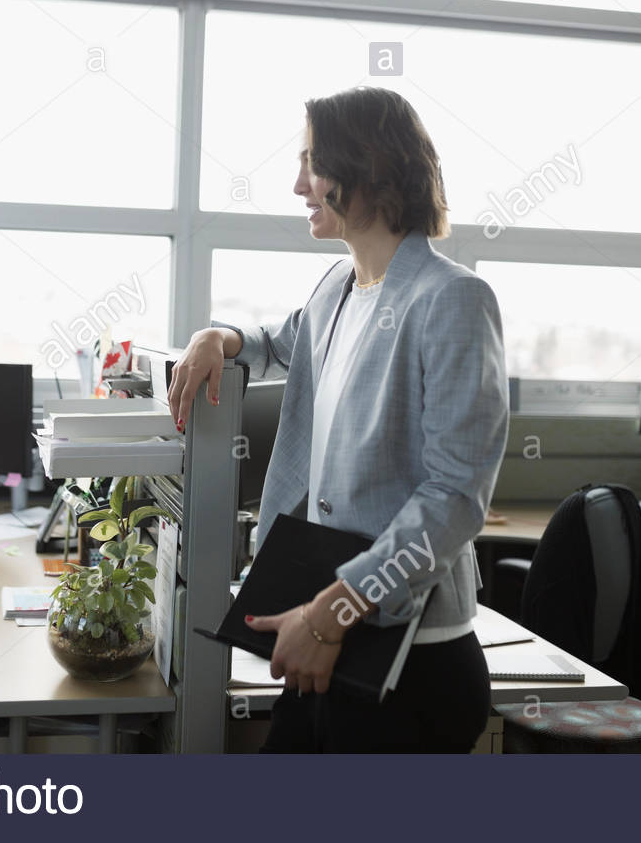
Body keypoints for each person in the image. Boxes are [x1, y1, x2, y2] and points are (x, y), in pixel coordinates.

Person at [169, 86, 509, 752]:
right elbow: (275, 342)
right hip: (327, 633)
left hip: (407, 660)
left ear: (370, 167)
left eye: (312, 165)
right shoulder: (338, 288)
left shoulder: (453, 300)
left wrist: (333, 611)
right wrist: (216, 338)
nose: (299, 185)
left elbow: (454, 500)